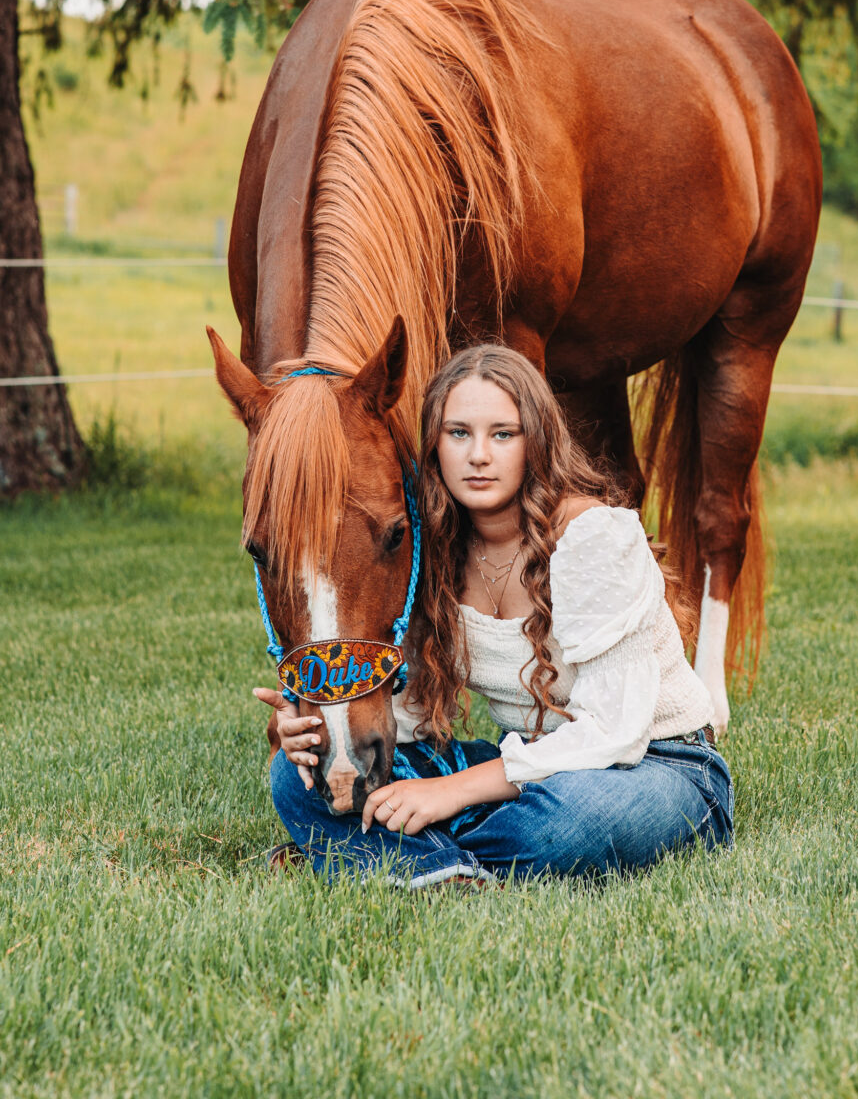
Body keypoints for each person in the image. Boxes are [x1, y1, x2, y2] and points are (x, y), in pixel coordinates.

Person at [267, 344, 733, 884]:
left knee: (557, 829)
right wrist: (319, 727)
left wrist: (446, 793)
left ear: (536, 440)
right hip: (532, 767)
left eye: (503, 434)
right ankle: (450, 872)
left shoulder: (592, 536)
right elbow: (411, 714)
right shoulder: (431, 549)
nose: (479, 455)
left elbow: (615, 734)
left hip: (652, 768)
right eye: (458, 433)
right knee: (291, 776)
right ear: (434, 446)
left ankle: (385, 853)